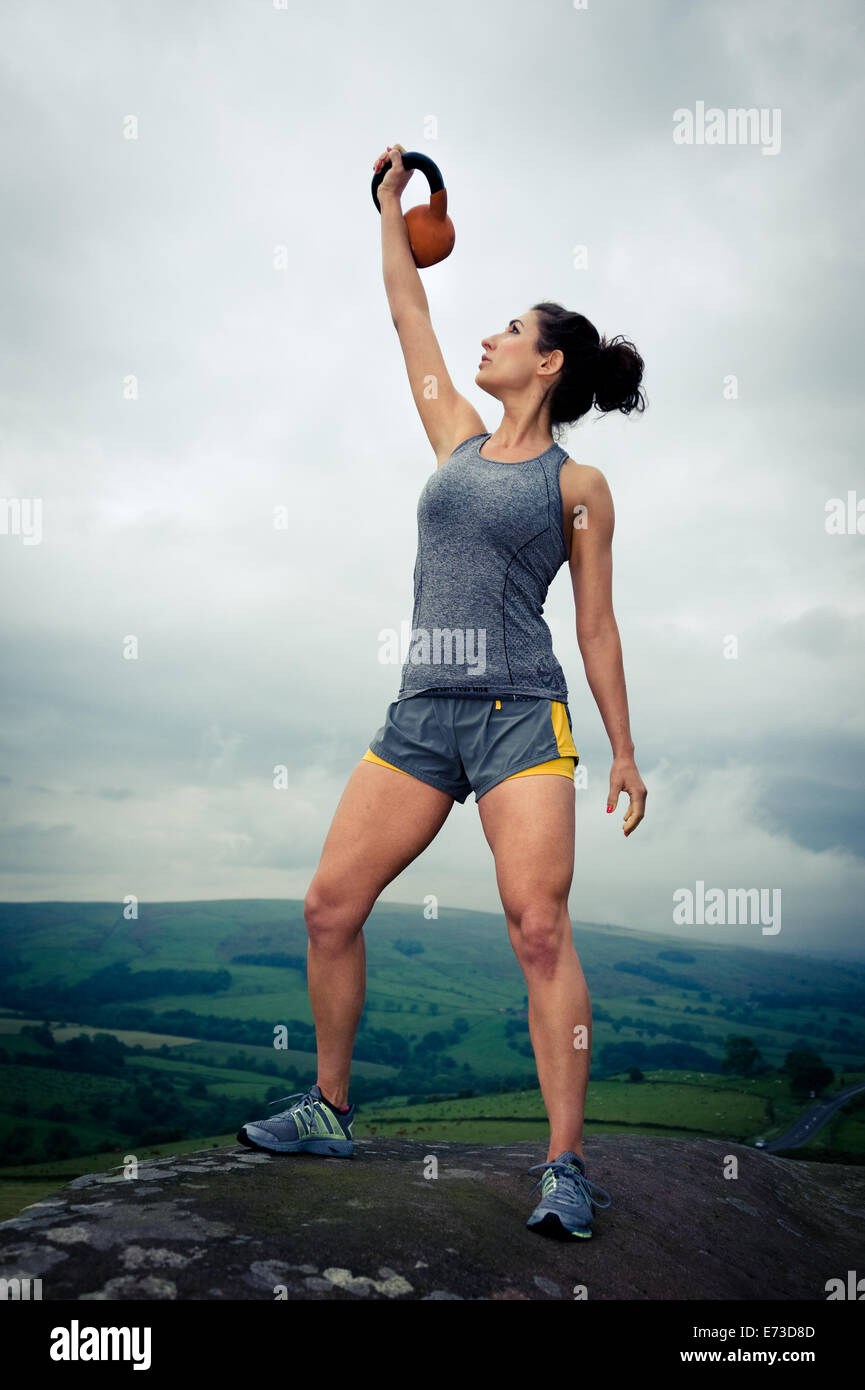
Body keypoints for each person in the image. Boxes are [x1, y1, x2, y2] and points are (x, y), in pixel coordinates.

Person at [238, 143, 648, 1241]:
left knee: (538, 928)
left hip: (522, 717)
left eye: (510, 332)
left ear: (549, 364)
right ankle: (328, 1107)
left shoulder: (579, 484)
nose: (487, 340)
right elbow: (406, 310)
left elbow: (595, 624)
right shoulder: (454, 441)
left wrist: (621, 748)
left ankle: (564, 1165)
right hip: (422, 712)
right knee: (328, 907)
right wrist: (390, 206)